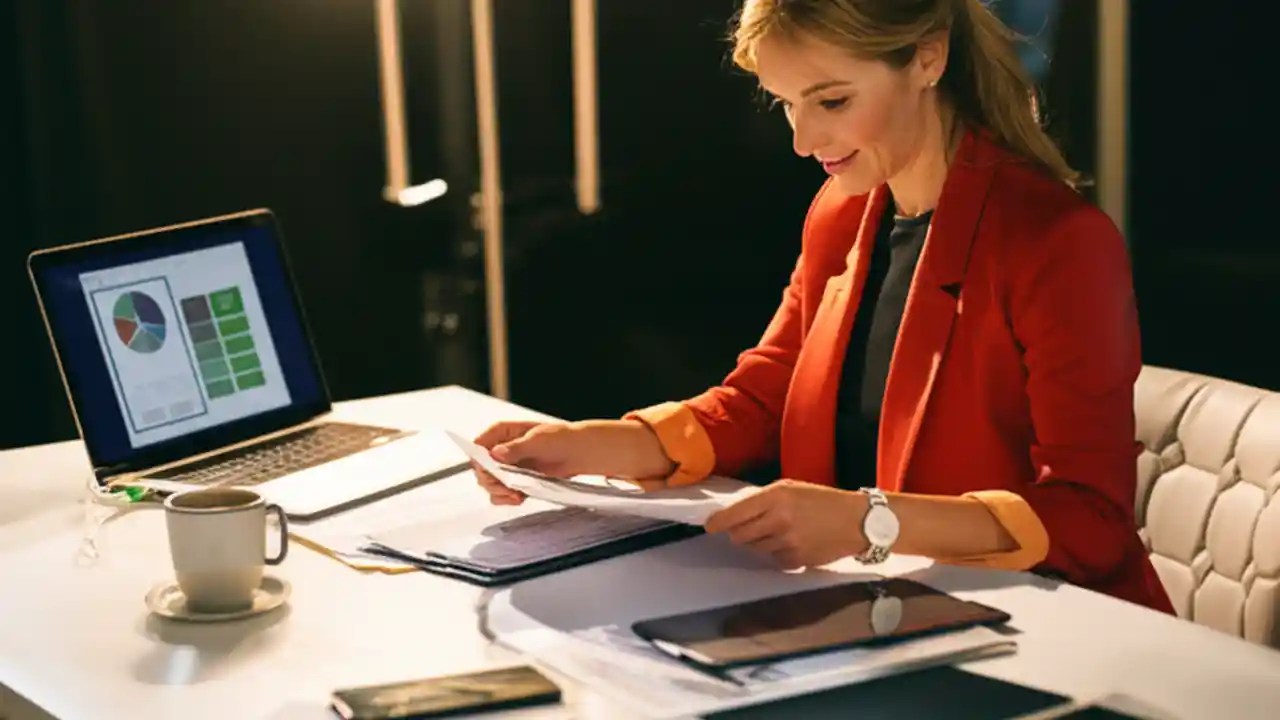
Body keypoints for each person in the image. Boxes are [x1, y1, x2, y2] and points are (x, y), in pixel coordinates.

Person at [471, 0, 1174, 613]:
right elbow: (761, 398)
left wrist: (870, 521)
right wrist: (601, 446)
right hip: (889, 614)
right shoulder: (843, 215)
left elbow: (1092, 517)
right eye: (786, 103)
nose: (804, 142)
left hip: (1060, 635)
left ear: (929, 58)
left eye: (831, 101)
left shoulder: (1058, 241)